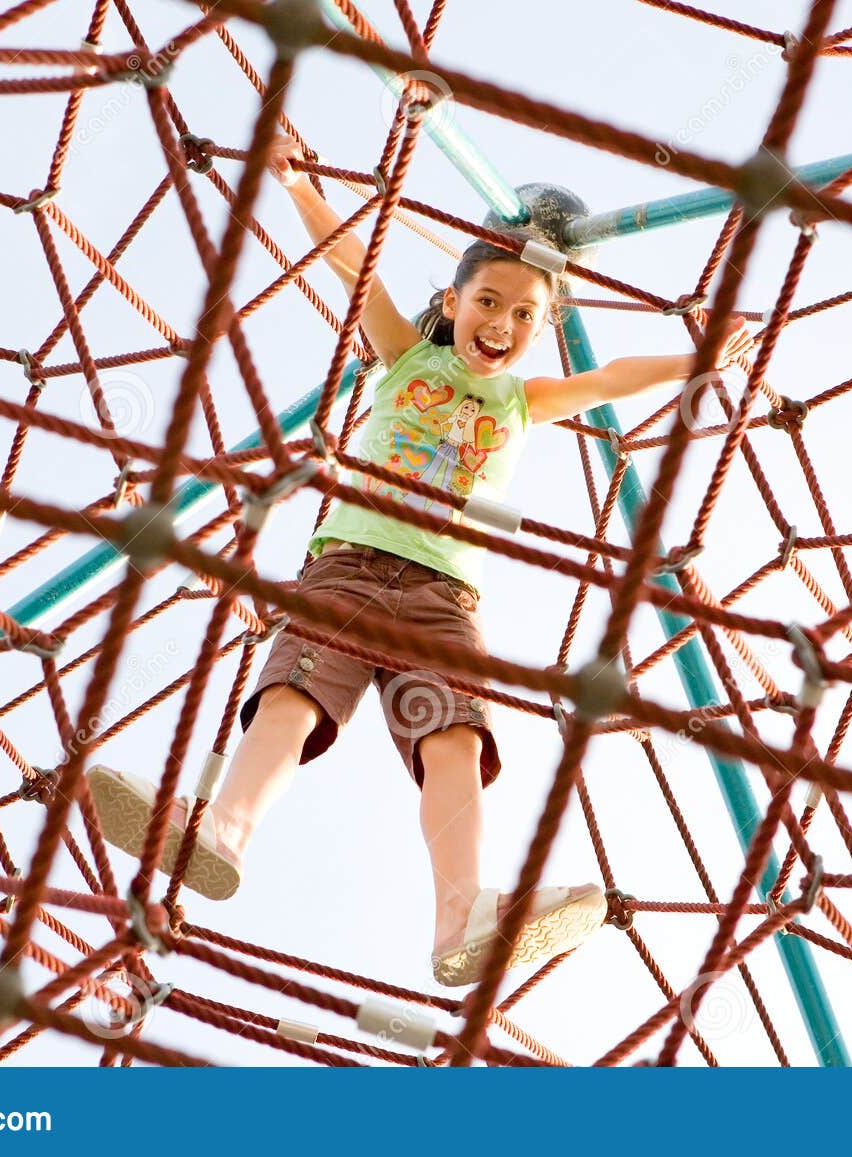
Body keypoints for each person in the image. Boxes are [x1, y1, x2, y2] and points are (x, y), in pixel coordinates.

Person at [87, 138, 756, 987]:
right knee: (294, 695)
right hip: (352, 566)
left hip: (447, 597)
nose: (502, 325)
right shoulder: (406, 355)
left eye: (524, 316)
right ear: (455, 296)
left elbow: (615, 378)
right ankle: (223, 831)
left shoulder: (526, 399)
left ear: (543, 330)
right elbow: (351, 267)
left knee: (453, 739)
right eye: (489, 301)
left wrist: (702, 357)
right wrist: (302, 186)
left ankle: (462, 913)